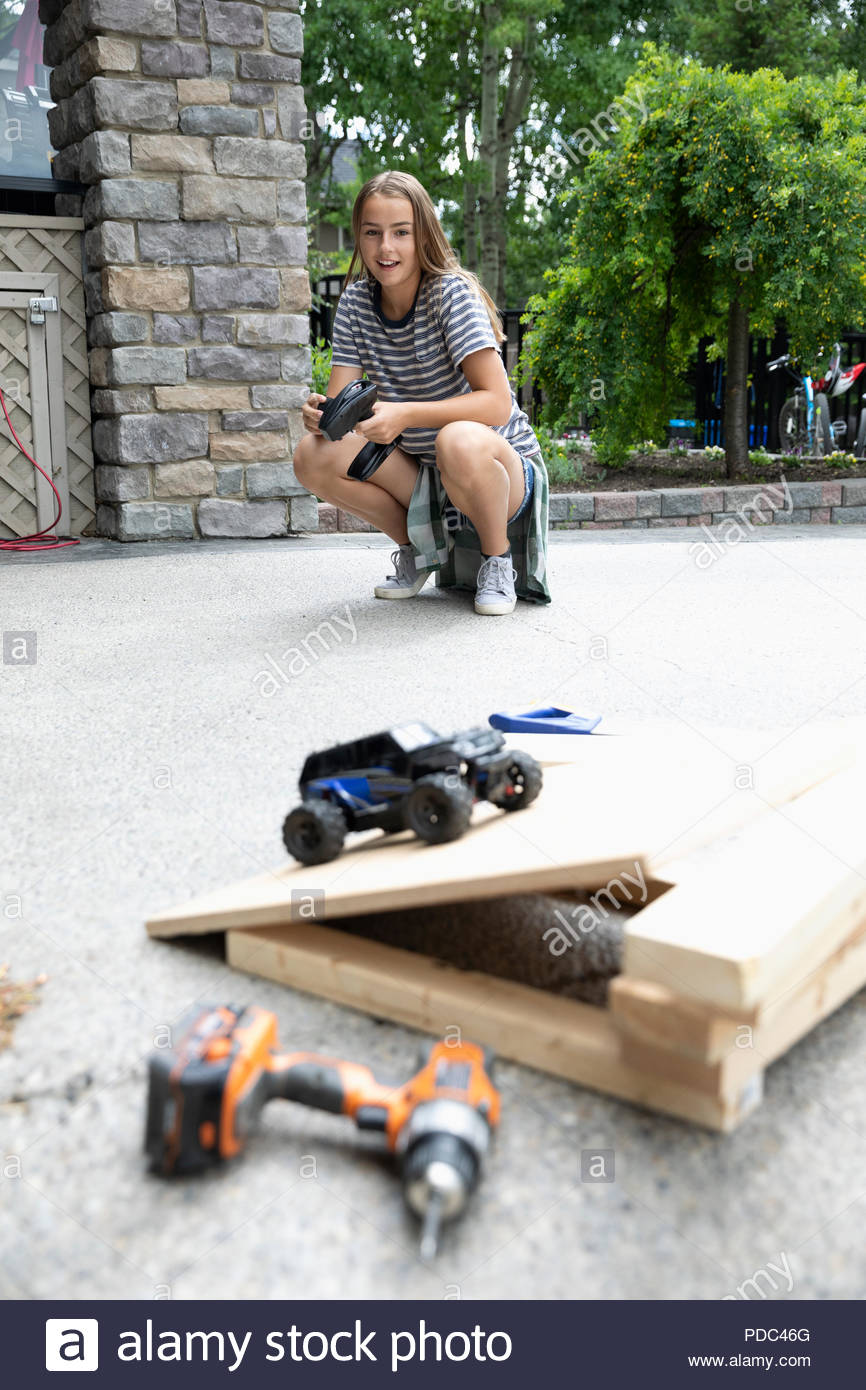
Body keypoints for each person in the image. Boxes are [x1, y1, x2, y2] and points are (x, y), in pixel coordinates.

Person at [294, 170, 550, 615]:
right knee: (312, 454)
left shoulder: (450, 295)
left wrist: (405, 414)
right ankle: (422, 547)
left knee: (458, 438)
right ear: (359, 236)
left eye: (400, 233)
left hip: (499, 469)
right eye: (372, 233)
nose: (385, 248)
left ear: (424, 236)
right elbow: (342, 410)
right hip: (424, 473)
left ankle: (497, 560)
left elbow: (496, 402)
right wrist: (323, 415)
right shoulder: (355, 303)